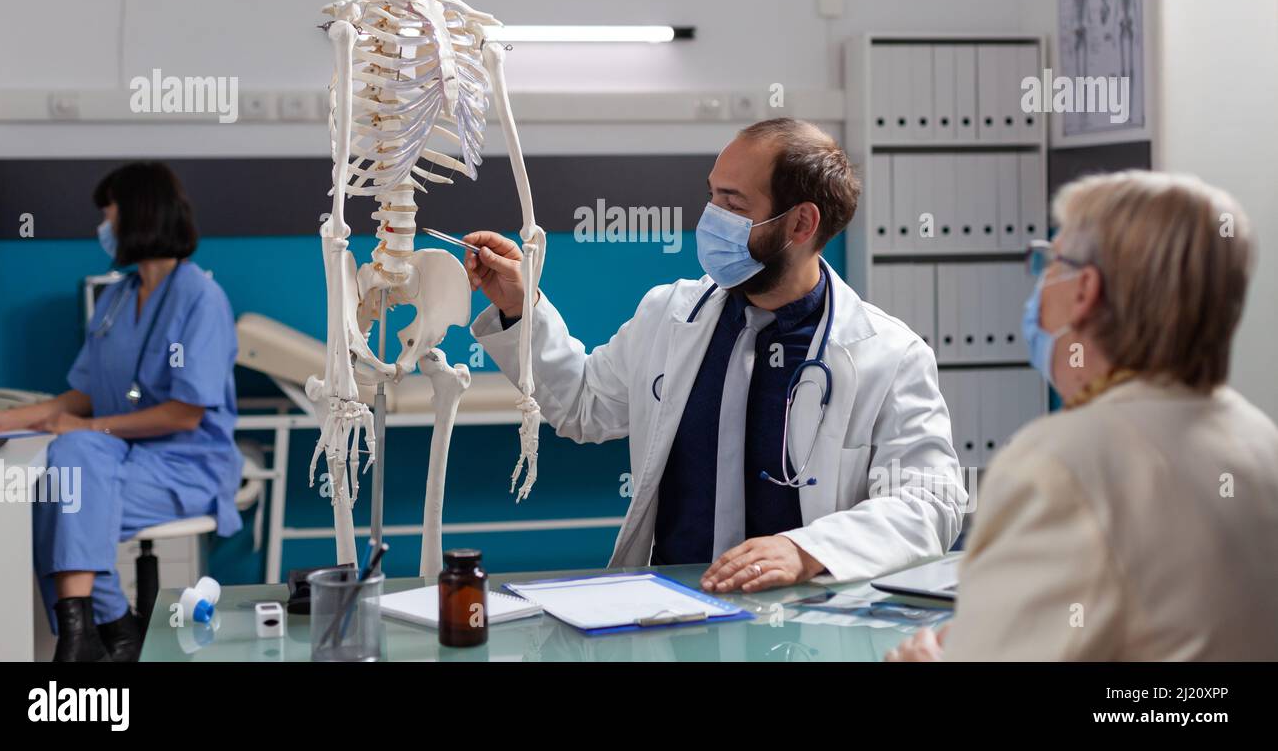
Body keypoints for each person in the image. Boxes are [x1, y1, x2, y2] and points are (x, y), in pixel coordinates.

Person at [465, 119, 965, 592]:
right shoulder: (669, 315)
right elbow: (583, 407)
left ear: (801, 223)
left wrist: (807, 550)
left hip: (809, 618)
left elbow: (929, 502)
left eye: (733, 202)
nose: (711, 218)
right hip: (671, 608)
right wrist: (519, 305)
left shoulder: (889, 354)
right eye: (712, 196)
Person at [887, 170, 1278, 661]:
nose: (1040, 280)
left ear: (1084, 291)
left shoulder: (1061, 461)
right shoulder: (1259, 439)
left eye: (1050, 260)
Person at [0, 162, 241, 662]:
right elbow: (83, 393)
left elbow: (185, 415)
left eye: (109, 212)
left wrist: (84, 427)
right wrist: (6, 419)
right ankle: (110, 631)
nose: (104, 225)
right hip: (114, 457)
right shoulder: (116, 299)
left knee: (65, 493)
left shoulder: (201, 299)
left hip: (184, 464)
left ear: (138, 212)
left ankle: (93, 632)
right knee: (71, 475)